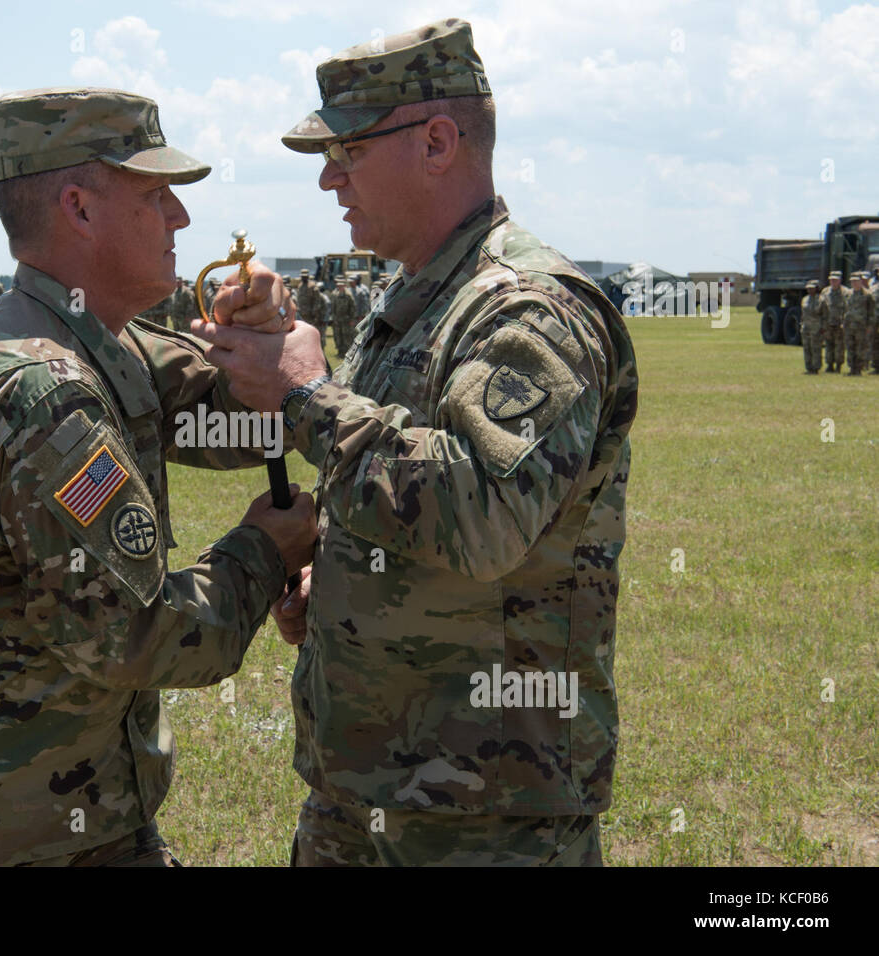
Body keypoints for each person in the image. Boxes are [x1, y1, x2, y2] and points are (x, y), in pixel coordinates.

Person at [0, 86, 314, 867]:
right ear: (80, 209)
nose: (181, 218)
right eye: (157, 195)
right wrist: (264, 549)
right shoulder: (47, 391)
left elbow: (248, 422)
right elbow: (137, 636)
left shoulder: (101, 344)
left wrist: (262, 346)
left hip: (57, 814)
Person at [194, 18, 638, 866]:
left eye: (349, 151)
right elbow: (406, 489)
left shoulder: (528, 310)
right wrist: (344, 576)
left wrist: (305, 395)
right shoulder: (418, 302)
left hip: (484, 811)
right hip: (367, 785)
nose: (328, 179)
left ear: (437, 142)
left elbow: (483, 516)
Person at [821, 271, 847, 372]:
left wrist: (844, 322)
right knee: (829, 345)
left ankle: (838, 366)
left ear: (840, 280)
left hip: (840, 324)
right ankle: (829, 365)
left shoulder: (845, 292)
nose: (833, 282)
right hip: (828, 323)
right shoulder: (825, 292)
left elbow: (847, 308)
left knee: (839, 346)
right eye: (831, 280)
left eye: (835, 280)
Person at [800, 279, 823, 374]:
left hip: (816, 328)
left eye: (812, 288)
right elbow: (803, 313)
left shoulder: (821, 300)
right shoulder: (805, 299)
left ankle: (816, 367)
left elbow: (825, 314)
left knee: (815, 348)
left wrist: (823, 327)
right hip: (806, 327)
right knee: (807, 348)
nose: (810, 290)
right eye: (808, 288)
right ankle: (808, 367)